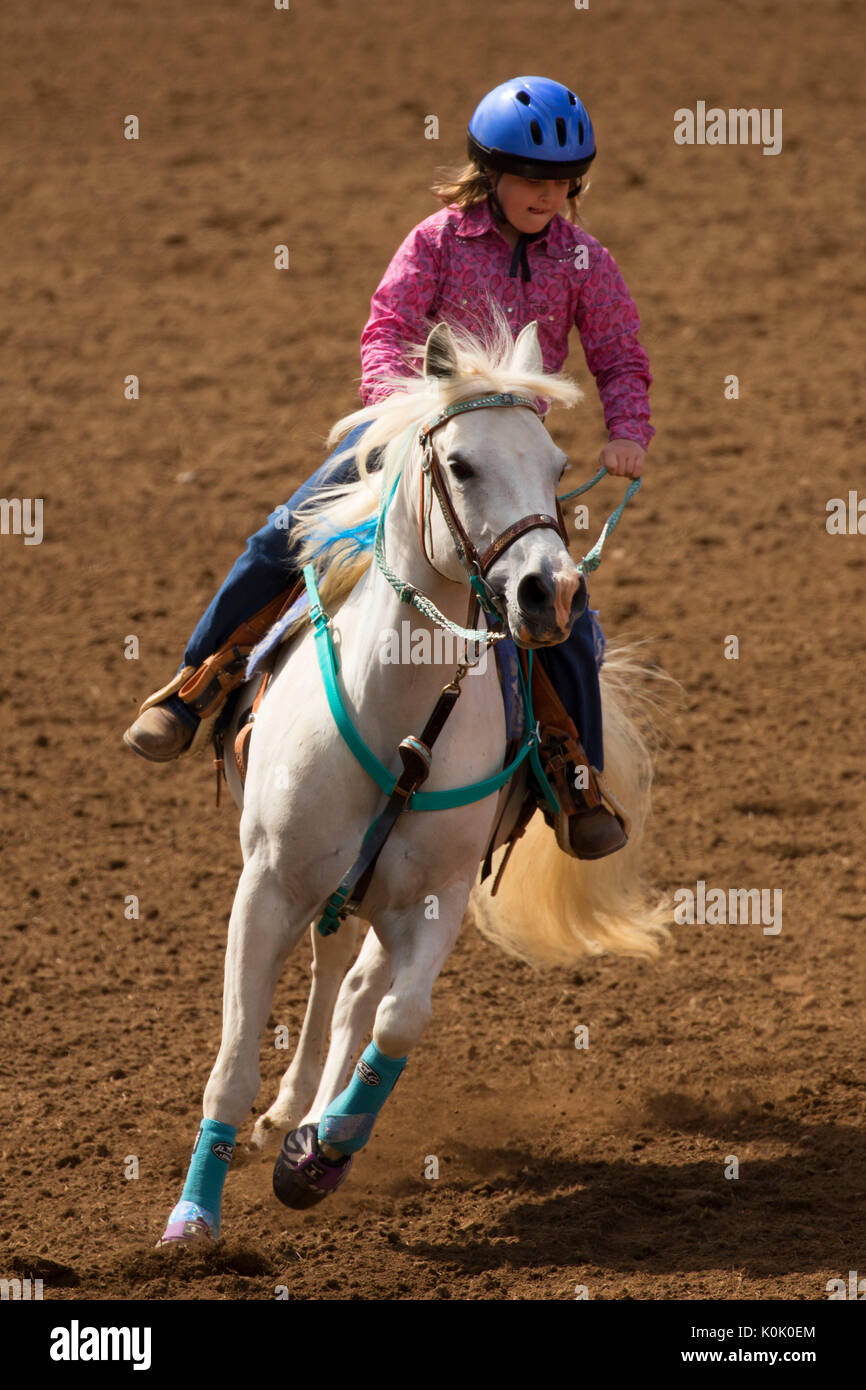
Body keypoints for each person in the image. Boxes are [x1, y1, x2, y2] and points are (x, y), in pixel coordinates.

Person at [124, 75, 654, 859]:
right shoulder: (436, 241)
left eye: (563, 181)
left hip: (507, 463)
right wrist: (396, 410)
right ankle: (197, 680)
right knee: (280, 537)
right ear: (489, 173)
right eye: (533, 180)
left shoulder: (583, 261)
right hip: (416, 435)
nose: (550, 195)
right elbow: (387, 329)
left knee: (569, 620)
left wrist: (629, 429)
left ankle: (575, 776)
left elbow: (619, 358)